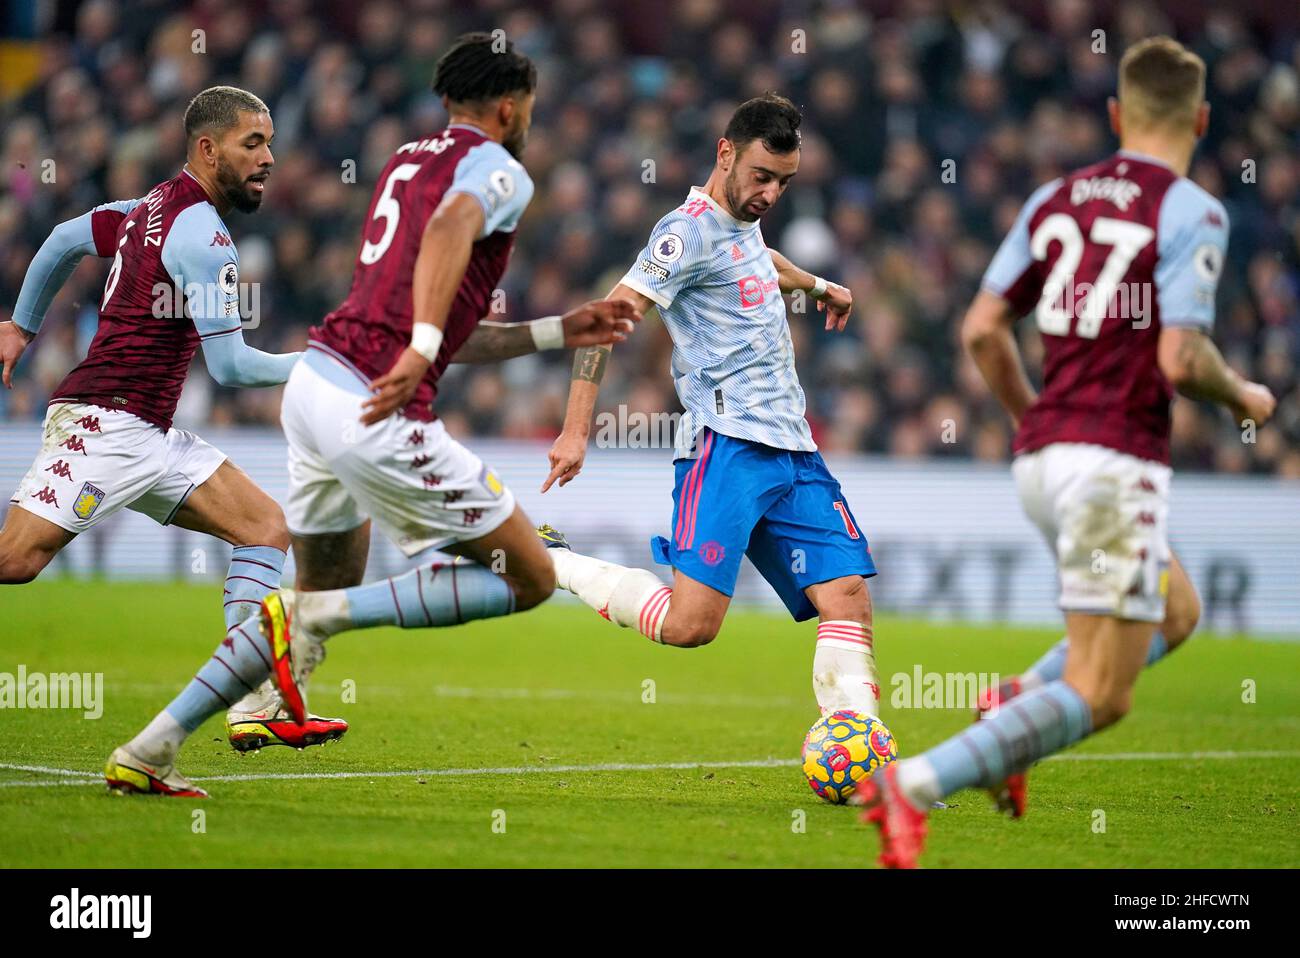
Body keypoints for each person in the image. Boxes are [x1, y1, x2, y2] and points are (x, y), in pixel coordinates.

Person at [110, 33, 639, 796]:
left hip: (316, 389)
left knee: (328, 582)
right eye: (529, 108)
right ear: (507, 106)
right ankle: (316, 615)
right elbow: (454, 237)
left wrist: (558, 331)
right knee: (526, 576)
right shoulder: (500, 170)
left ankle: (154, 745)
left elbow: (436, 315)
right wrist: (422, 349)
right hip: (375, 405)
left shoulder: (401, 161)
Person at [854, 36, 1277, 867]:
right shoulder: (1194, 209)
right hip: (1112, 461)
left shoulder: (1055, 197)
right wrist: (1245, 396)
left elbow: (980, 328)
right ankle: (917, 783)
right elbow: (1182, 360)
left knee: (1176, 608)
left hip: (1045, 456)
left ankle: (1013, 700)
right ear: (1200, 118)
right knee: (1103, 692)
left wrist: (1032, 417)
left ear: (1117, 114)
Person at [537, 94, 880, 726]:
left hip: (793, 447)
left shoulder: (743, 224)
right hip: (724, 446)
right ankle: (553, 562)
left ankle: (864, 762)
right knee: (691, 626)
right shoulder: (684, 233)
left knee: (849, 598)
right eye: (761, 176)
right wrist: (576, 431)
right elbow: (604, 322)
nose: (771, 194)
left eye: (784, 181)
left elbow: (755, 261)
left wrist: (817, 285)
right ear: (725, 153)